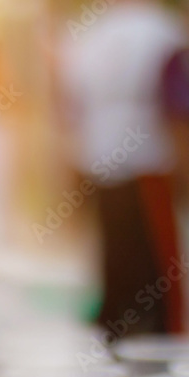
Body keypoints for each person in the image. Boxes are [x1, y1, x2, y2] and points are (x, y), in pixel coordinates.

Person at [57, 0, 187, 335]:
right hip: (148, 151)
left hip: (98, 151)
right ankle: (157, 333)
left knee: (114, 247)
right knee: (156, 258)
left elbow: (70, 106)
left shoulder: (86, 33)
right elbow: (177, 102)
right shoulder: (163, 28)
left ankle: (116, 326)